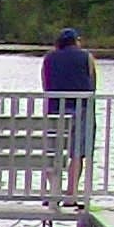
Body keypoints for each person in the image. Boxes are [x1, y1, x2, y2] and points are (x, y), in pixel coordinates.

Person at [42, 26, 97, 197]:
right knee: (77, 151)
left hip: (55, 111)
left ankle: (54, 190)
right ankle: (71, 192)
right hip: (81, 109)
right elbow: (93, 85)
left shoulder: (48, 58)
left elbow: (45, 85)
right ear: (76, 41)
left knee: (52, 150)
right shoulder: (86, 57)